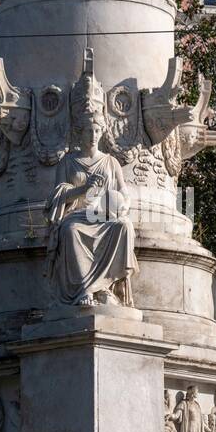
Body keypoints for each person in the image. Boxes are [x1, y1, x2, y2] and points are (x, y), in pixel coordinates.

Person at [46, 107, 137, 307]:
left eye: (97, 130)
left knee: (124, 226)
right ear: (80, 132)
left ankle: (104, 288)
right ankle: (84, 290)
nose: (93, 135)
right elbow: (57, 195)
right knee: (70, 231)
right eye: (88, 130)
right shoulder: (68, 162)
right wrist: (84, 189)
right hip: (77, 215)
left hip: (104, 215)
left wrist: (123, 206)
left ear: (102, 132)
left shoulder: (110, 162)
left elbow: (124, 192)